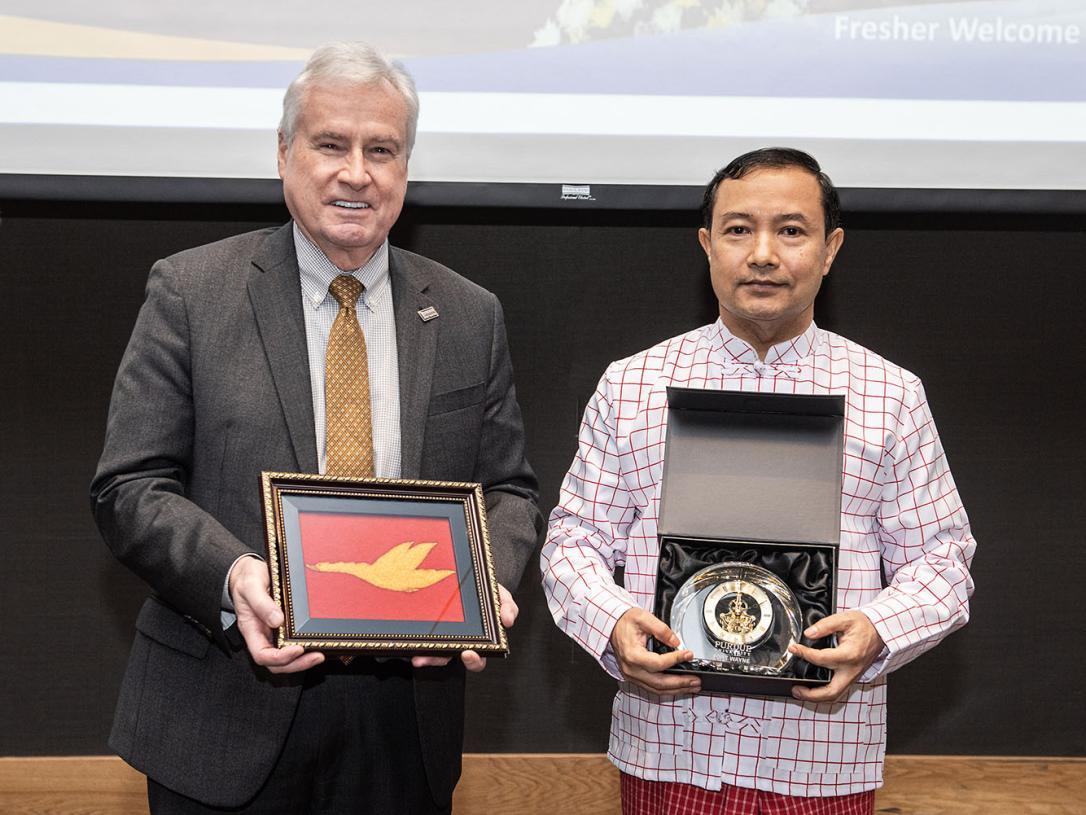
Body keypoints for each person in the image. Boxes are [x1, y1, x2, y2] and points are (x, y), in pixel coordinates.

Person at [91, 42, 541, 814]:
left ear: (406, 166)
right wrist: (235, 578)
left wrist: (482, 577)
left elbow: (510, 490)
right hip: (224, 701)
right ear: (283, 153)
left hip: (405, 721)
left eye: (382, 149)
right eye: (331, 144)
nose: (356, 172)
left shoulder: (470, 313)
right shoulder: (190, 291)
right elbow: (129, 485)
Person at [541, 147, 974, 814]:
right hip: (668, 747)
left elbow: (944, 562)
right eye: (739, 229)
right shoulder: (630, 384)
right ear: (706, 244)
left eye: (791, 230)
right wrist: (614, 623)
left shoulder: (890, 395)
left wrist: (878, 630)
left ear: (830, 249)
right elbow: (574, 540)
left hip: (822, 756)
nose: (764, 253)